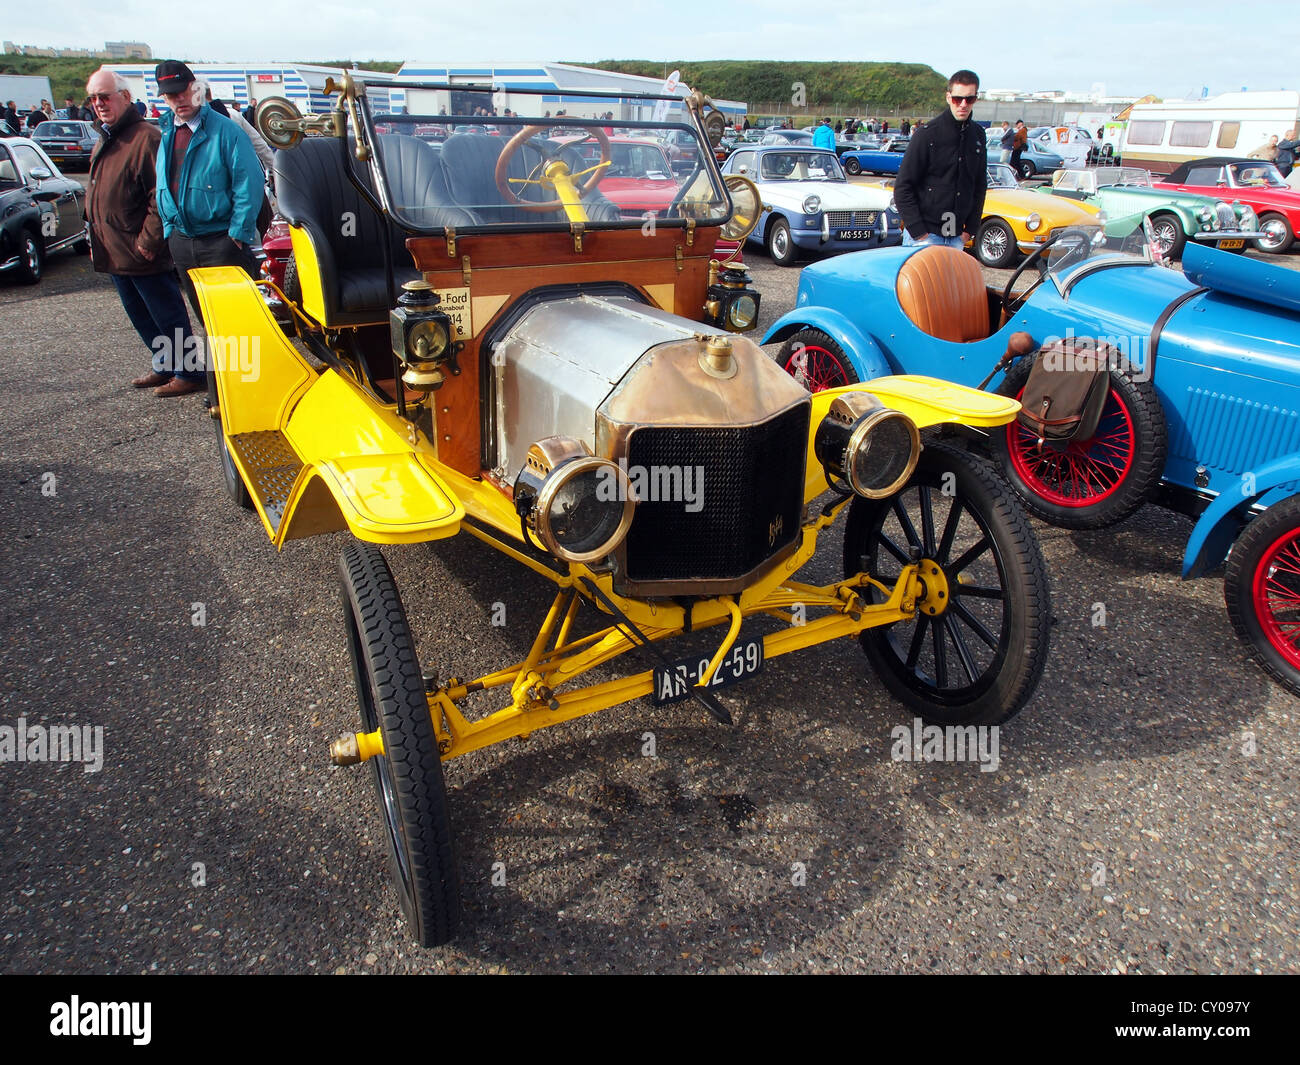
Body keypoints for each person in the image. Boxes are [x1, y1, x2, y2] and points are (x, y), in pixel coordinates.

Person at [83, 67, 202, 397]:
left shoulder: (145, 137)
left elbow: (160, 195)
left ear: (124, 97)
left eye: (104, 96)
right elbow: (95, 190)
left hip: (140, 249)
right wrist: (93, 237)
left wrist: (148, 243)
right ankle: (165, 365)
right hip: (114, 248)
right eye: (93, 98)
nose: (99, 103)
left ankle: (190, 372)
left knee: (167, 314)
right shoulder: (107, 137)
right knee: (140, 314)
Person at [153, 60, 264, 324]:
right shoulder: (167, 132)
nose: (179, 99)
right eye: (171, 95)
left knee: (236, 319)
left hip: (222, 242)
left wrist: (237, 234)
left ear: (197, 89)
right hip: (182, 241)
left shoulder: (226, 131)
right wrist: (170, 228)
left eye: (183, 91)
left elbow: (249, 182)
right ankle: (219, 366)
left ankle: (245, 366)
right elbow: (163, 183)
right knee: (206, 319)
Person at [893, 69, 987, 249]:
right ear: (948, 97)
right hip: (925, 236)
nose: (963, 104)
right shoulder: (926, 135)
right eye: (957, 99)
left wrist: (971, 229)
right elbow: (903, 185)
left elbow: (979, 185)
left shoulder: (978, 135)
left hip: (957, 236)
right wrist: (918, 231)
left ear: (976, 98)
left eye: (969, 99)